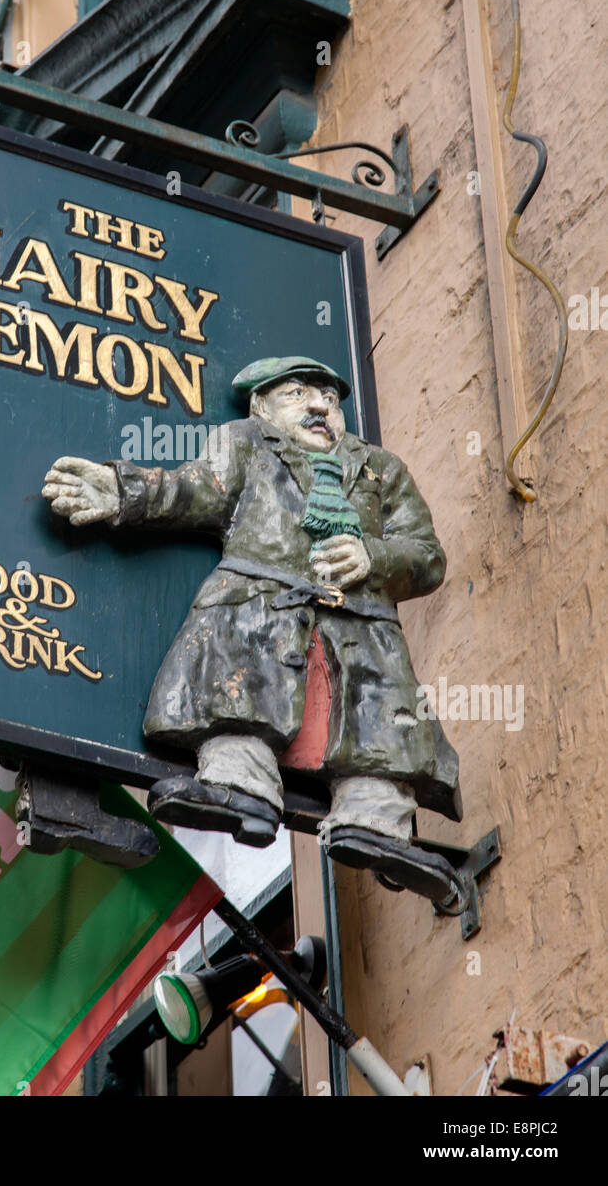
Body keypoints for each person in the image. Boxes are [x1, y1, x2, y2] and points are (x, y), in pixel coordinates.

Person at [43, 356, 464, 905]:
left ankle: (375, 821)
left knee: (373, 727)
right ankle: (241, 787)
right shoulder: (244, 442)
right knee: (240, 696)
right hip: (256, 609)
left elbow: (427, 557)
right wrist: (123, 491)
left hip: (360, 631)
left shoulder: (381, 469)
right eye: (297, 394)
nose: (318, 407)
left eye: (328, 399)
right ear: (263, 405)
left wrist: (373, 557)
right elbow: (190, 490)